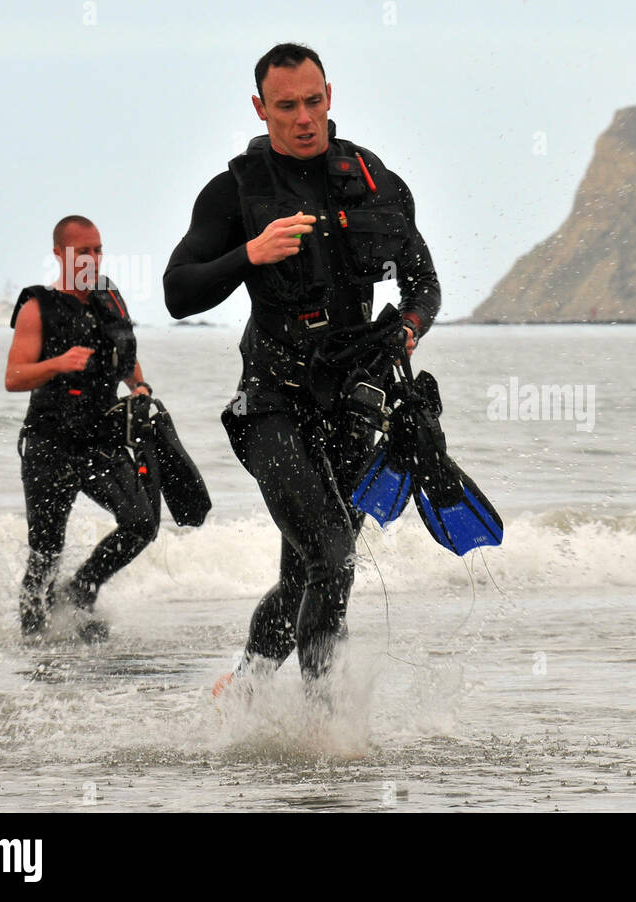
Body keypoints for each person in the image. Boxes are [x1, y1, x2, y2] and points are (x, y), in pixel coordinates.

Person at [163, 43, 440, 702]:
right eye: (286, 106)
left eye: (313, 101)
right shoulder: (235, 192)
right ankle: (325, 726)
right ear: (261, 108)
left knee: (308, 577)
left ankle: (245, 690)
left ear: (330, 96)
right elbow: (179, 291)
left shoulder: (373, 179)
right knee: (332, 554)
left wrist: (407, 330)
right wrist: (249, 254)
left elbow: (423, 283)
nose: (303, 118)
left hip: (353, 407)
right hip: (271, 406)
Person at [5, 215, 158, 641]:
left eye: (97, 249)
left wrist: (139, 385)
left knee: (141, 523)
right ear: (60, 254)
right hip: (49, 445)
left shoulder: (110, 299)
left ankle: (80, 593)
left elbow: (125, 355)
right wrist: (58, 363)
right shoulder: (38, 306)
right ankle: (33, 642)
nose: (92, 258)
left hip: (99, 440)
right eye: (82, 251)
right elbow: (14, 377)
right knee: (45, 553)